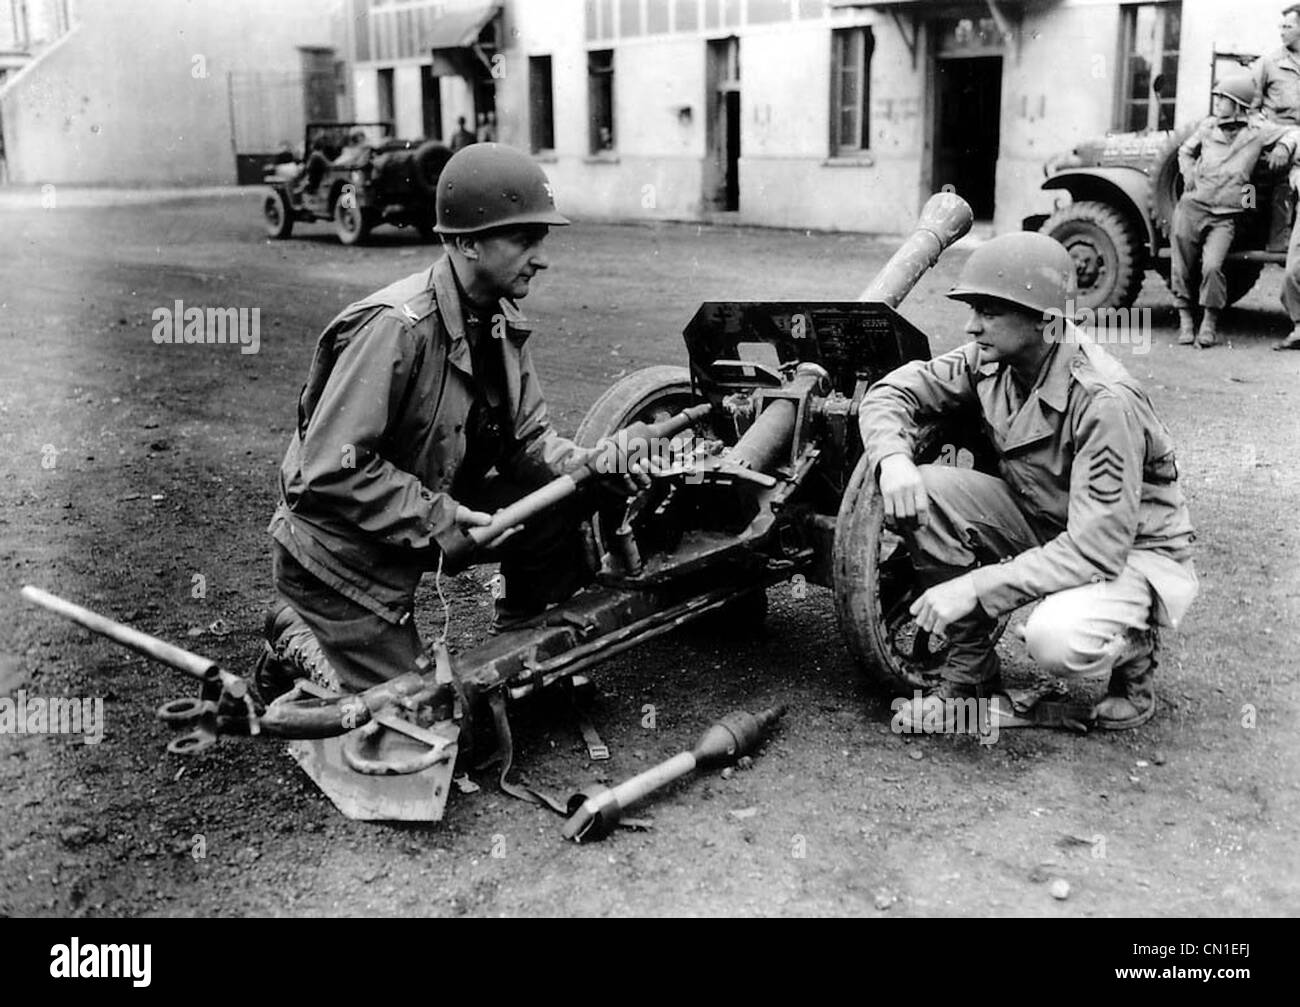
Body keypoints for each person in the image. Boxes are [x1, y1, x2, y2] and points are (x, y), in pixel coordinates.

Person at [260, 143, 646, 697]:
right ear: (467, 243)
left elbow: (529, 444)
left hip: (418, 516)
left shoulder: (498, 321)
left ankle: (523, 641)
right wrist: (440, 518)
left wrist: (588, 465)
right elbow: (332, 465)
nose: (542, 257)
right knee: (431, 727)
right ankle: (292, 637)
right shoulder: (396, 328)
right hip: (338, 557)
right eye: (524, 239)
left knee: (566, 493)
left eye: (542, 239)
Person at [858, 231, 1199, 733]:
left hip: (1129, 551)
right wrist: (893, 461)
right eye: (973, 309)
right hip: (1046, 518)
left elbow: (1098, 547)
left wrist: (974, 586)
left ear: (1046, 319)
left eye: (990, 312)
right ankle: (967, 674)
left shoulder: (1103, 399)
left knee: (1054, 639)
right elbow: (891, 393)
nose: (971, 327)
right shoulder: (990, 358)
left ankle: (1134, 651)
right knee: (926, 491)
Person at [1171, 74, 1298, 347]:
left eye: (1223, 99)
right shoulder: (1207, 127)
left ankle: (1209, 322)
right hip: (1193, 206)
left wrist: (1284, 147)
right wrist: (1188, 173)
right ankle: (1185, 319)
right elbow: (1184, 151)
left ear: (1238, 104)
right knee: (1181, 264)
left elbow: (1294, 131)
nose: (1217, 103)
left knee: (1213, 266)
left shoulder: (1256, 132)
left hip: (1226, 214)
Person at [1253, 4, 1300, 349]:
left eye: (1288, 26)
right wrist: (1281, 138)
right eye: (1281, 25)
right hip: (1276, 142)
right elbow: (1252, 110)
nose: (1281, 30)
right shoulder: (1270, 63)